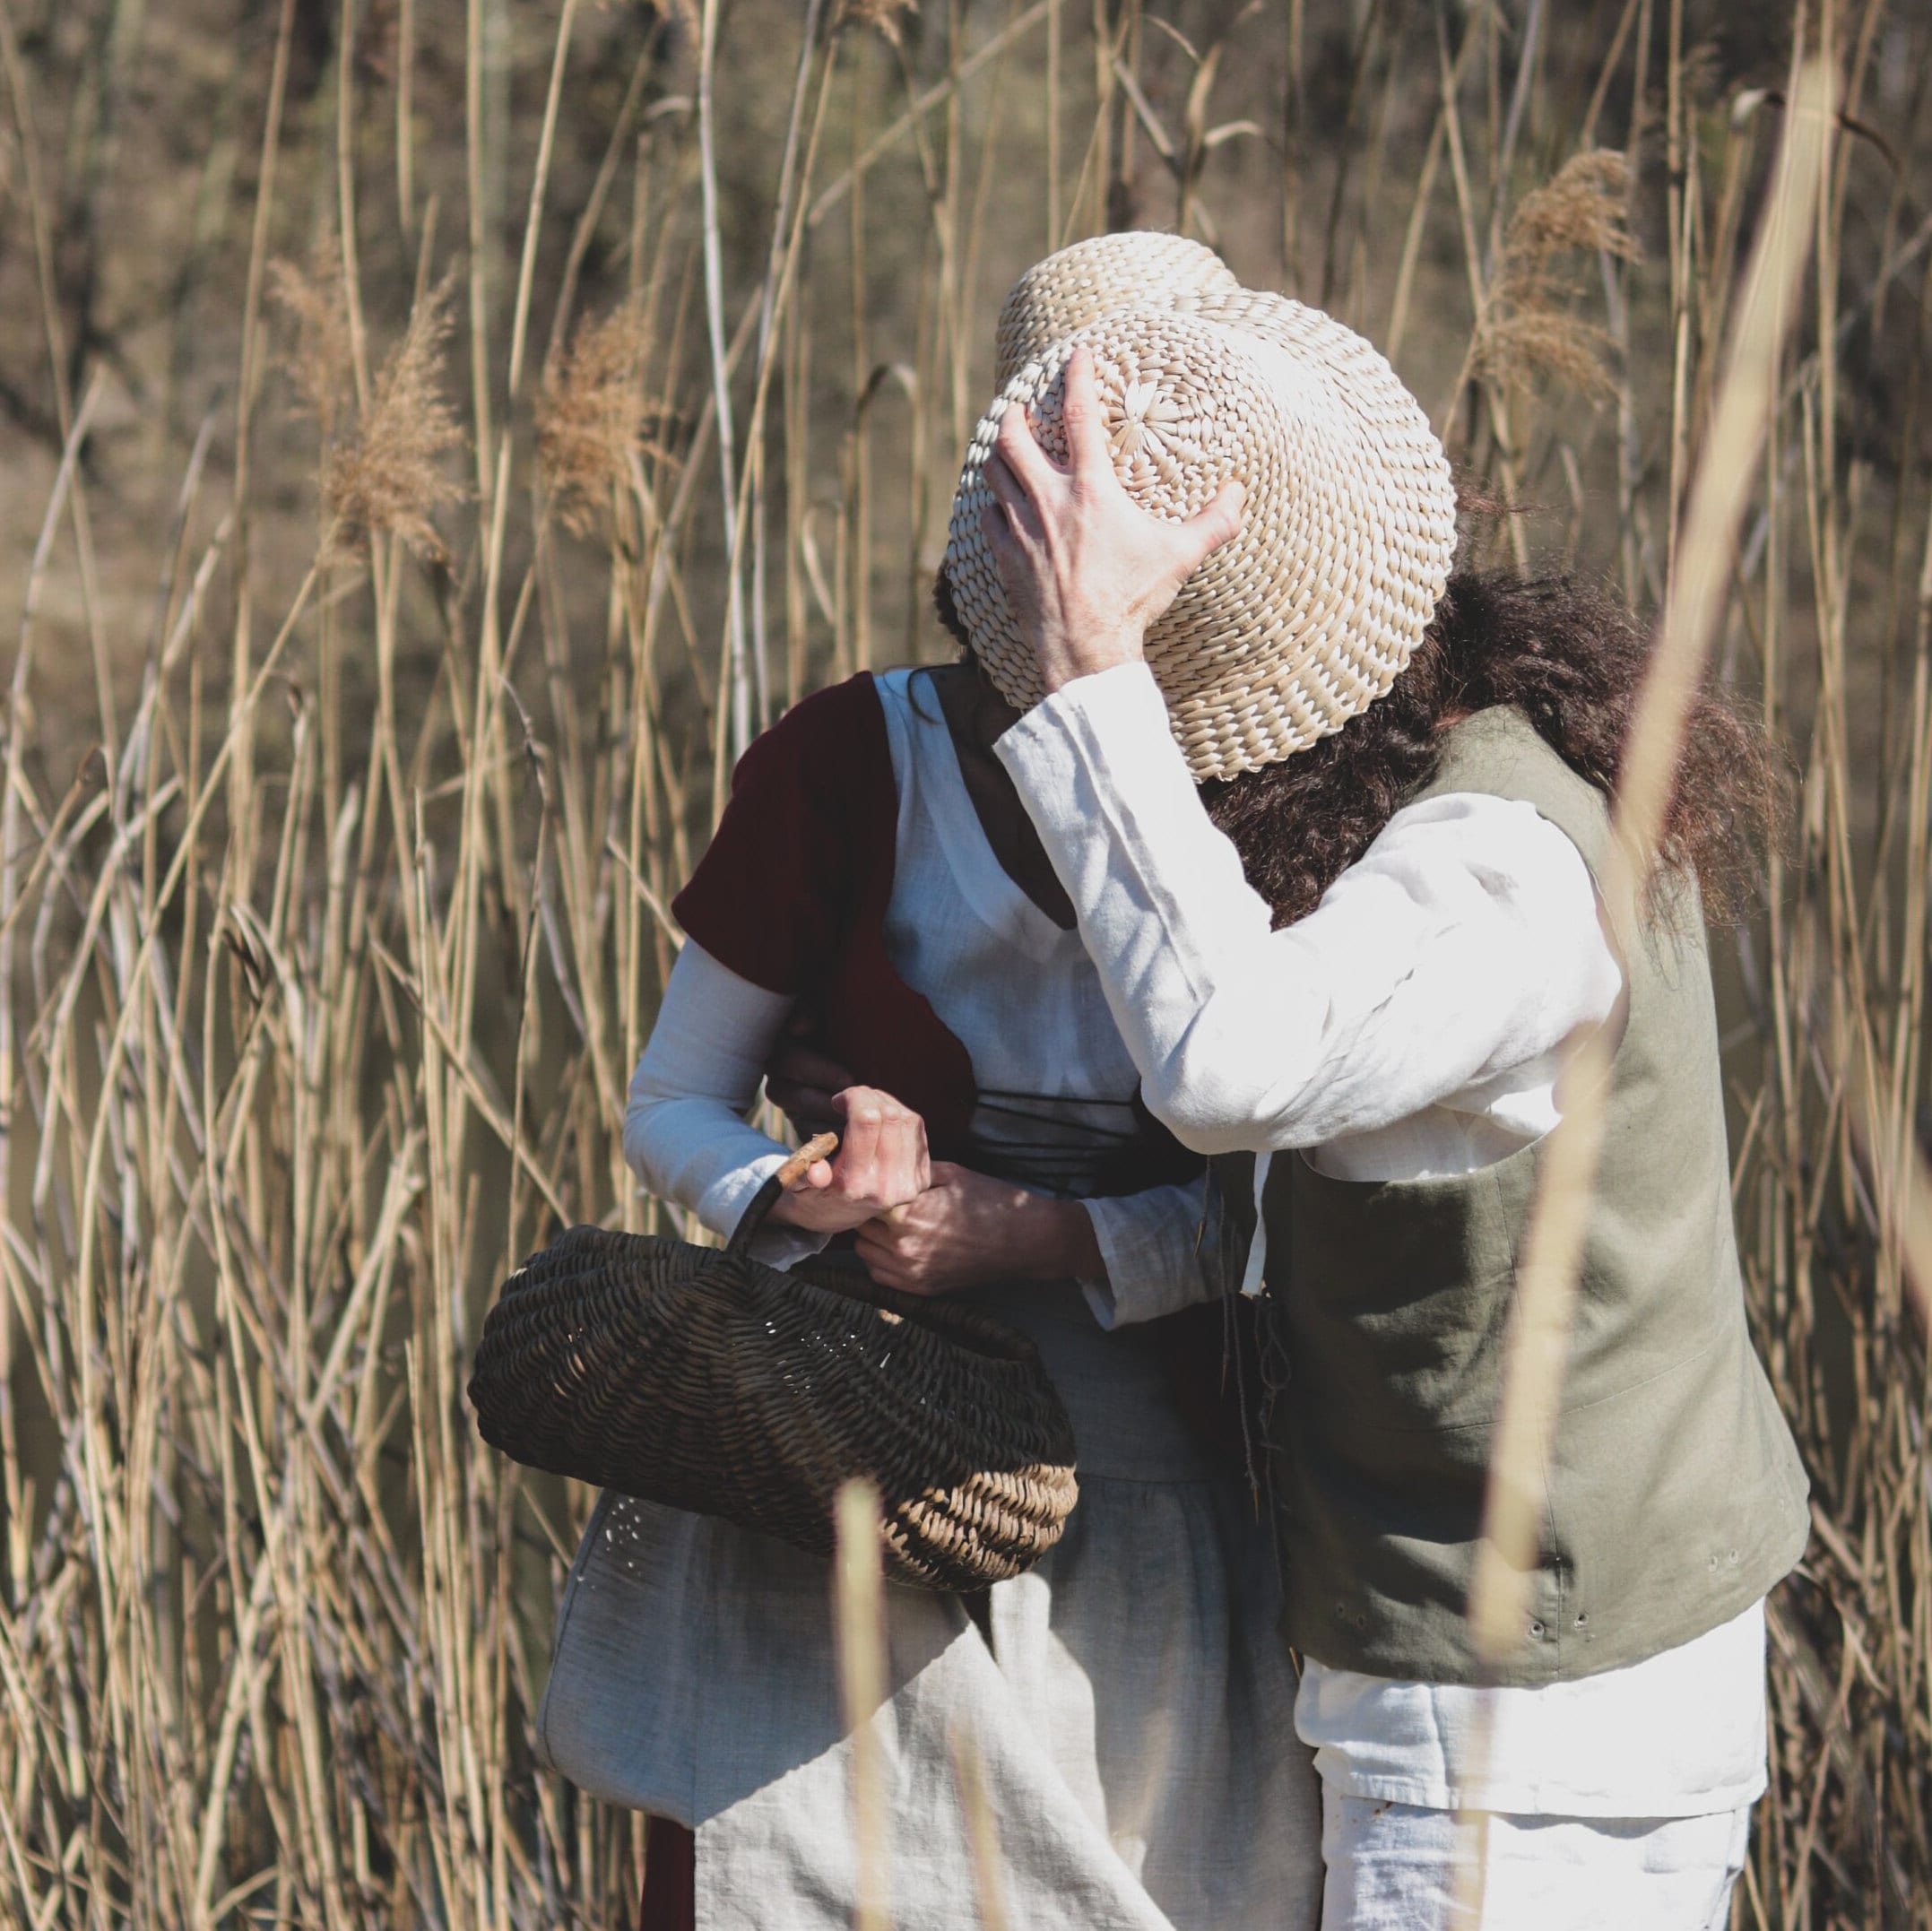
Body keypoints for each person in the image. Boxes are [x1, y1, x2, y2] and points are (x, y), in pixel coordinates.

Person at [947, 232, 1811, 1929]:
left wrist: (1093, 670)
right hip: (1481, 1702)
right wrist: (1040, 1237)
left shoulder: (1496, 865)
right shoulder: (1469, 765)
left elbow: (1229, 1065)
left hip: (1530, 1739)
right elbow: (1331, 1210)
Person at [533, 543, 1323, 1918]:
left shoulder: (1270, 793)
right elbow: (672, 1102)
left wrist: (1042, 1234)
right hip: (850, 1463)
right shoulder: (846, 759)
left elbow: (1285, 1214)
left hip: (1164, 1491)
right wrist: (797, 1191)